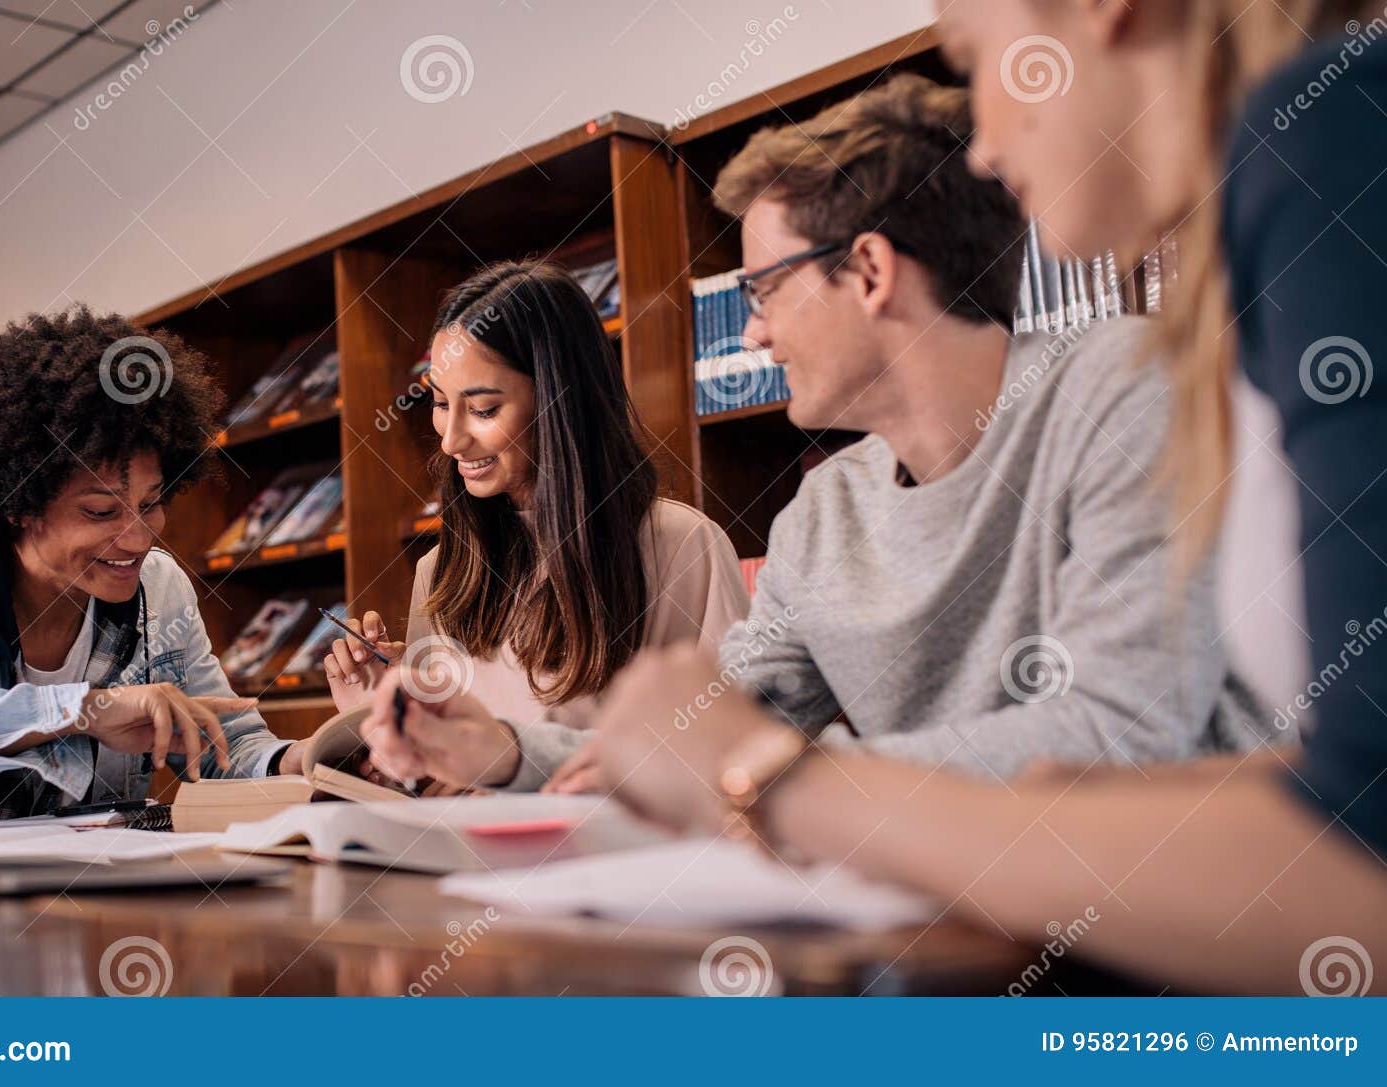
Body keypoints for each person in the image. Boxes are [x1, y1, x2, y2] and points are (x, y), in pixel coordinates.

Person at [591, 0, 1387, 993]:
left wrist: (783, 782)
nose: (982, 149)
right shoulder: (1274, 215)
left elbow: (1356, 848)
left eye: (976, 57)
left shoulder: (1327, 139)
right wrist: (555, 751)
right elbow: (1338, 787)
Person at [624, 73, 1271, 786]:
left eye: (763, 289)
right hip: (959, 886)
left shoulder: (1125, 390)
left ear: (869, 270)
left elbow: (1120, 733)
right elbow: (711, 726)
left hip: (1175, 887)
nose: (752, 334)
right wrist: (517, 751)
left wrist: (781, 774)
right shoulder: (821, 512)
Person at [325, 261, 749, 791]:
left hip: (609, 862)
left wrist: (501, 763)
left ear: (558, 399)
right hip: (464, 862)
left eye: (481, 408)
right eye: (438, 403)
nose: (451, 440)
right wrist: (390, 717)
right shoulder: (441, 570)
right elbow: (434, 782)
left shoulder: (681, 545)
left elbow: (732, 755)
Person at [0, 307, 313, 820]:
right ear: (17, 502)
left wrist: (306, 759)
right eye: (100, 511)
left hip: (101, 893)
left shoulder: (160, 588)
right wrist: (84, 709)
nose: (138, 538)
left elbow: (223, 748)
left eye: (152, 502)